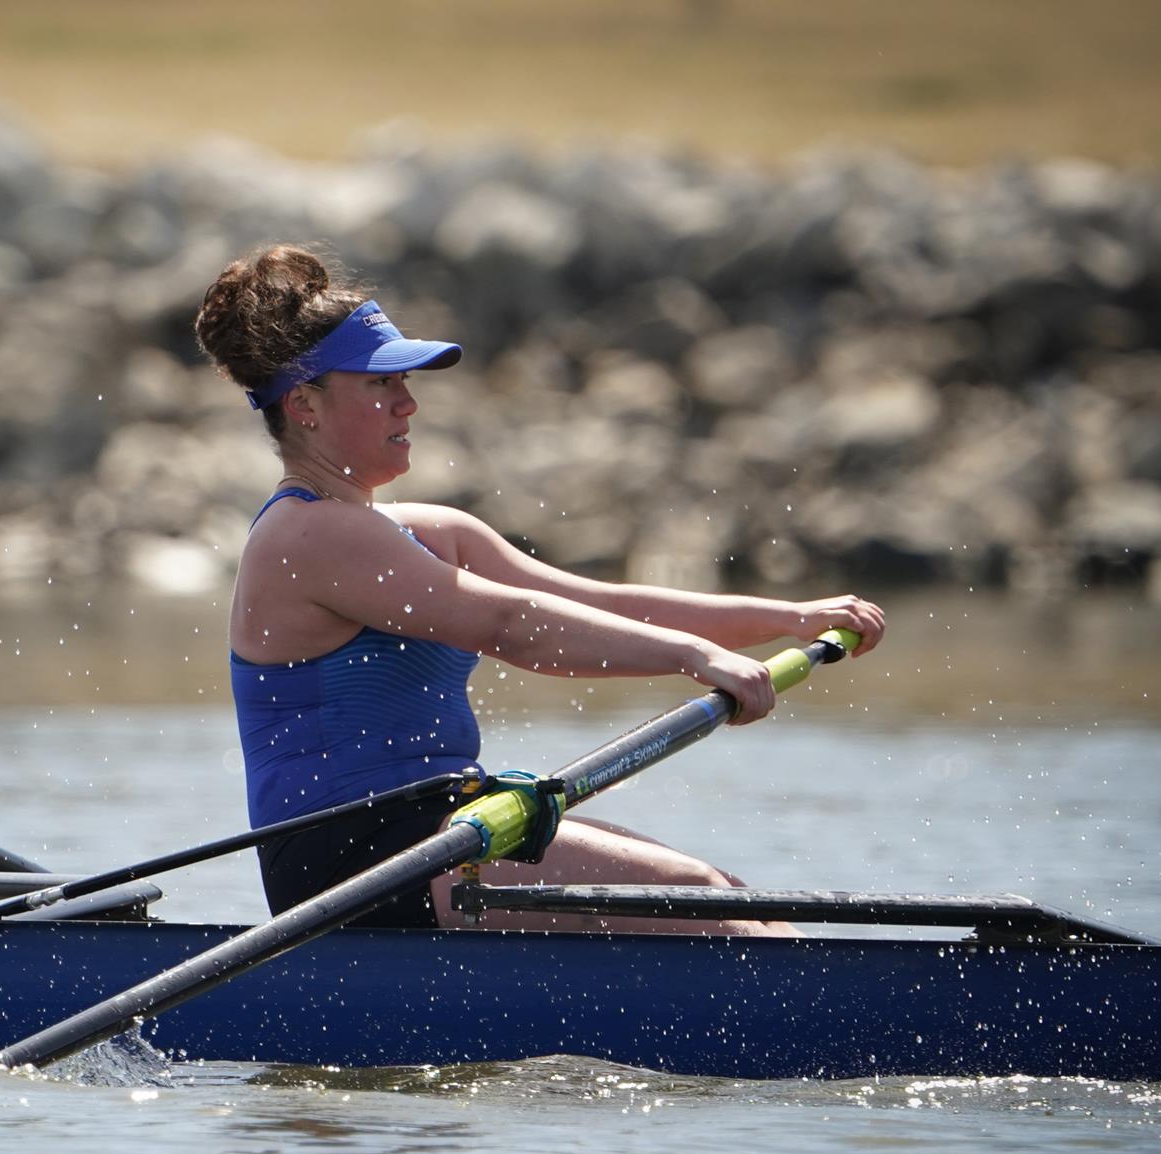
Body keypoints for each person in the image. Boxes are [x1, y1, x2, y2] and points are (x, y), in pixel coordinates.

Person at [194, 244, 885, 933]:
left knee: (731, 899)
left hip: (444, 832)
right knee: (702, 900)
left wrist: (789, 616)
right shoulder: (305, 536)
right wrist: (694, 657)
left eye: (405, 382)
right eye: (380, 384)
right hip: (352, 867)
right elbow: (512, 626)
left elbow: (595, 604)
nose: (408, 403)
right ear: (306, 406)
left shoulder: (432, 532)